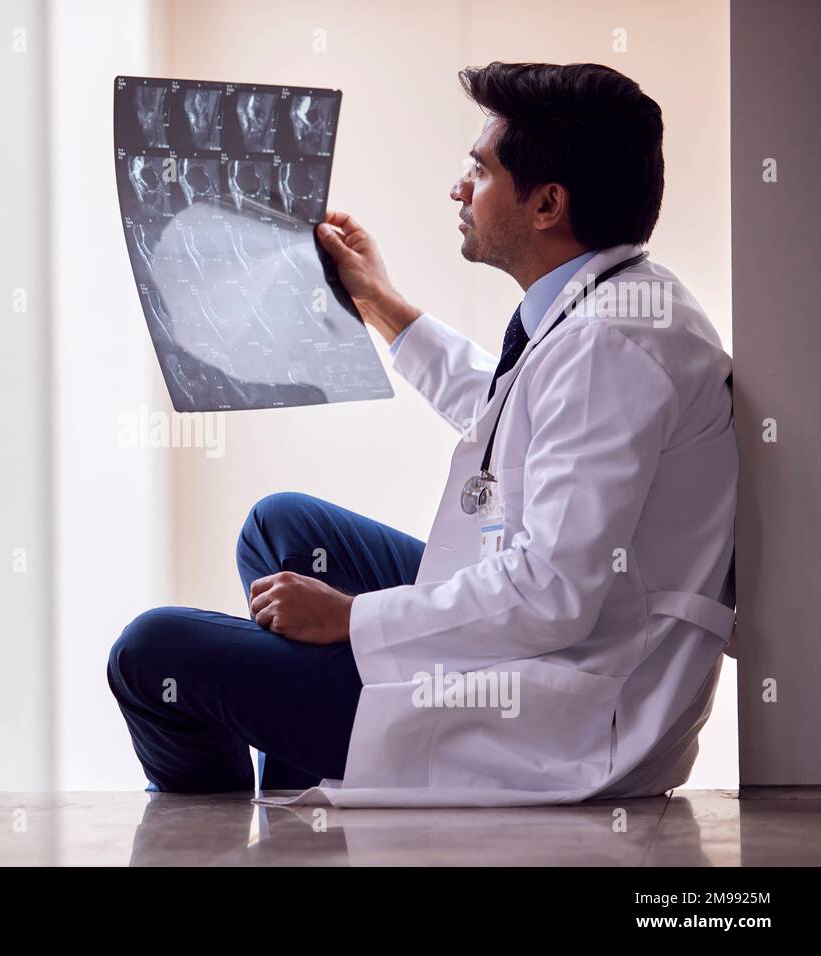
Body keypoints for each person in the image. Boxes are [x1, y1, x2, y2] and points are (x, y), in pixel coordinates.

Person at [106, 62, 736, 807]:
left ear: (547, 205)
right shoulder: (612, 305)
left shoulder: (612, 346)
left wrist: (351, 618)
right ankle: (310, 781)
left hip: (560, 711)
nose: (459, 187)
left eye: (479, 168)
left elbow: (553, 594)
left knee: (151, 653)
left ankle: (233, 829)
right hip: (560, 645)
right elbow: (515, 417)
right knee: (282, 527)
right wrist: (379, 303)